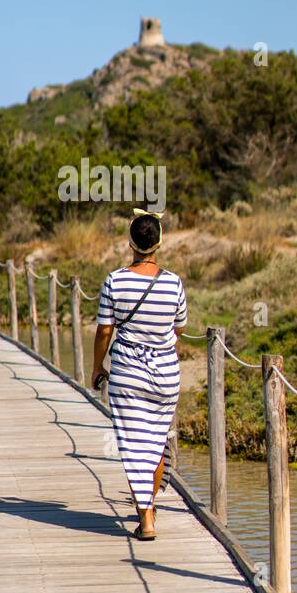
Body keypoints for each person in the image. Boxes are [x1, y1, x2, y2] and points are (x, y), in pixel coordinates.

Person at [92, 210, 187, 540]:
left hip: (128, 374)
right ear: (159, 242)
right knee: (156, 443)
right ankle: (150, 508)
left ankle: (146, 519)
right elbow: (179, 327)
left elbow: (105, 330)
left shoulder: (115, 280)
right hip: (165, 376)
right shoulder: (174, 282)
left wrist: (97, 366)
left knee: (134, 446)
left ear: (130, 242)